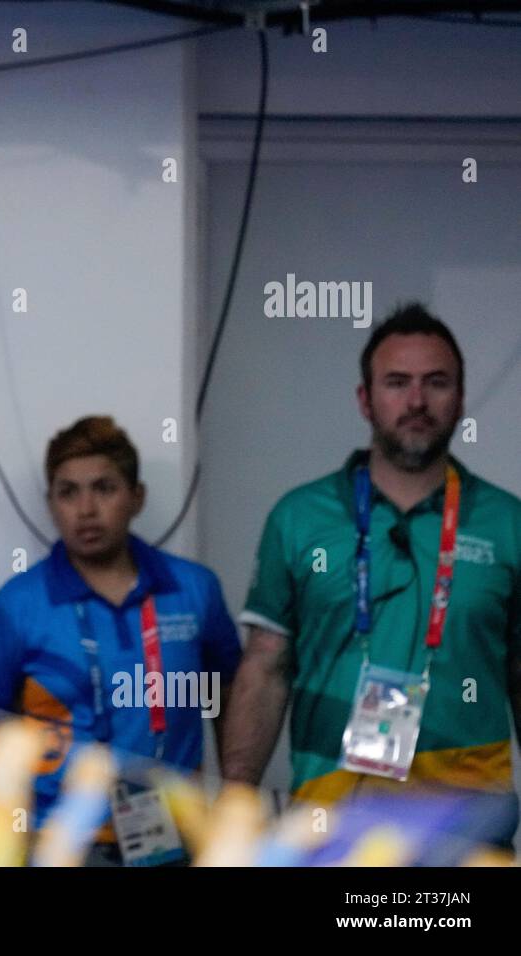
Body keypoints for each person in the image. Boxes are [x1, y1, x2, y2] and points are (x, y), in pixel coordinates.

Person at [222, 304, 521, 846]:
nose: (416, 402)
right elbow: (265, 666)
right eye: (396, 383)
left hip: (467, 834)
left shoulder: (508, 524)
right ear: (365, 399)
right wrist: (234, 810)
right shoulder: (299, 518)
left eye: (436, 383)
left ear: (460, 399)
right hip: (329, 831)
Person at [0, 416, 242, 866]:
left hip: (174, 839)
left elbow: (232, 698)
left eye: (104, 488)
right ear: (51, 504)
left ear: (136, 497)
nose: (86, 509)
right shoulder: (18, 604)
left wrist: (233, 809)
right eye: (68, 492)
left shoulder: (194, 589)